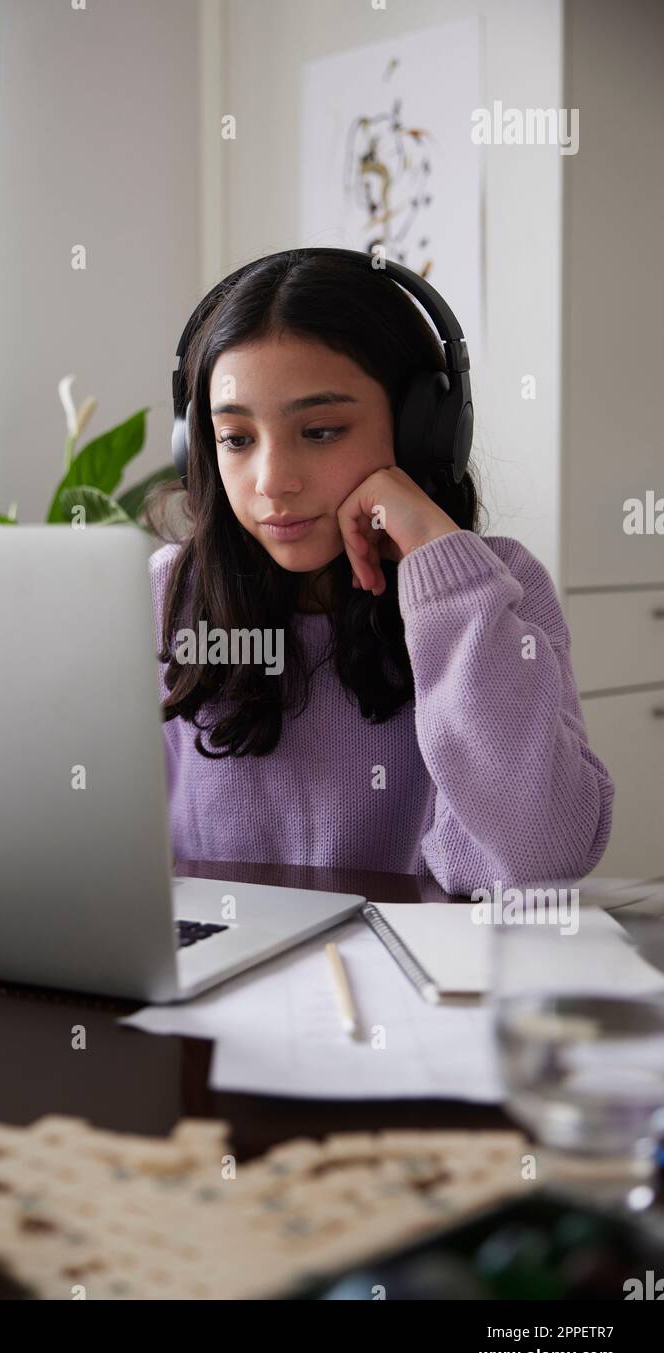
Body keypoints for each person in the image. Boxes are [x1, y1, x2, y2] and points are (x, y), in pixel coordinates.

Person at [144, 248, 613, 894]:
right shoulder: (169, 593)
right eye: (236, 439)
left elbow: (539, 859)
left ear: (424, 431)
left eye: (321, 431)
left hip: (418, 982)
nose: (272, 481)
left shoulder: (494, 588)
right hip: (221, 978)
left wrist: (435, 563)